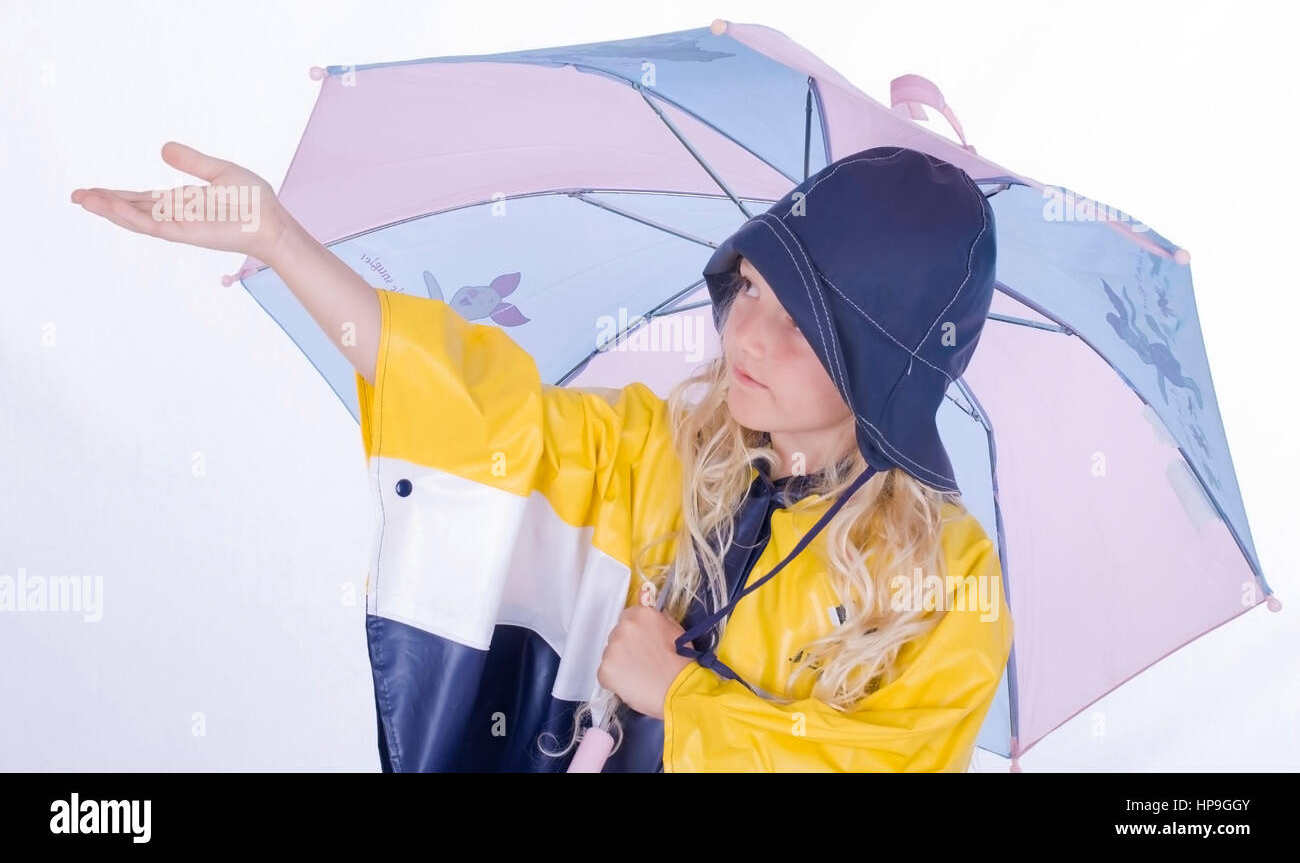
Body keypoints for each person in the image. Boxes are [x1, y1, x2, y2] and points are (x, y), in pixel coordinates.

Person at [72, 141, 1014, 772]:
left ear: (883, 369)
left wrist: (683, 697)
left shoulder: (948, 582)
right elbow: (478, 414)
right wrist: (279, 241)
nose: (748, 340)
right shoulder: (667, 454)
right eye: (752, 288)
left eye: (803, 325)